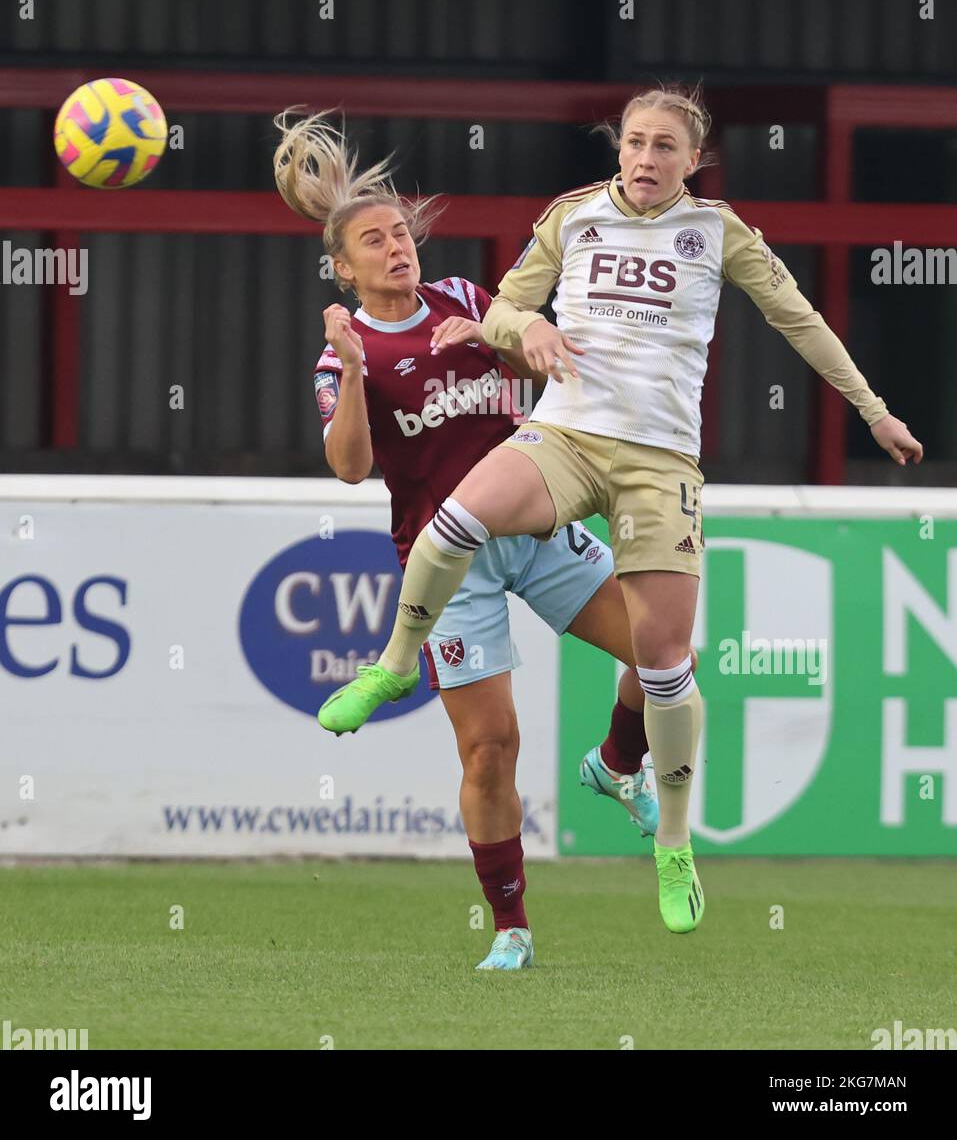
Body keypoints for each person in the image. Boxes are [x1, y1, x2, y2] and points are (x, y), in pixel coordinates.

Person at [328, 84, 924, 936]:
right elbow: (505, 303)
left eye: (664, 148)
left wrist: (871, 410)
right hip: (566, 435)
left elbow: (800, 321)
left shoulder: (718, 233)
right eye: (635, 143)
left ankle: (672, 844)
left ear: (692, 161)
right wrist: (520, 333)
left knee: (665, 661)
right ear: (619, 148)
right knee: (456, 519)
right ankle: (392, 665)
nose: (646, 160)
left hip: (658, 461)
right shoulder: (571, 215)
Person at [273, 109, 697, 971]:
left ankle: (616, 765)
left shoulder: (464, 299)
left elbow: (547, 367)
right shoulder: (343, 358)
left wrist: (508, 343)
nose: (398, 248)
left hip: (537, 530)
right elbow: (351, 467)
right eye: (376, 242)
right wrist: (353, 371)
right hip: (447, 562)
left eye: (401, 233)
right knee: (490, 747)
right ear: (341, 266)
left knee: (664, 656)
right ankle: (510, 927)